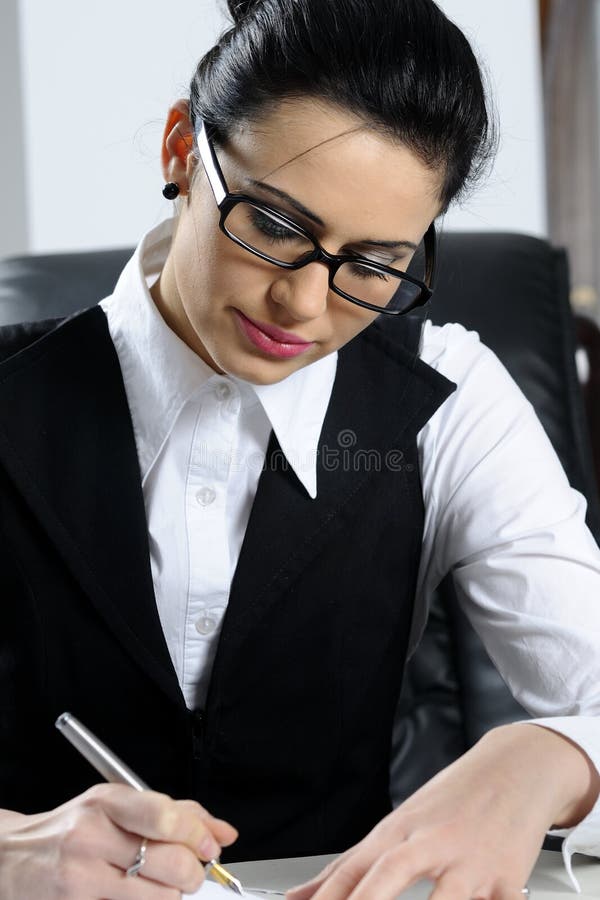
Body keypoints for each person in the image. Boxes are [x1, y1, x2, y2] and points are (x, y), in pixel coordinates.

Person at [1, 0, 599, 897]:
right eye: (277, 227)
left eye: (376, 264)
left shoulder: (447, 397)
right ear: (181, 151)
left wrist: (549, 756)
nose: (306, 307)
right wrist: (11, 852)